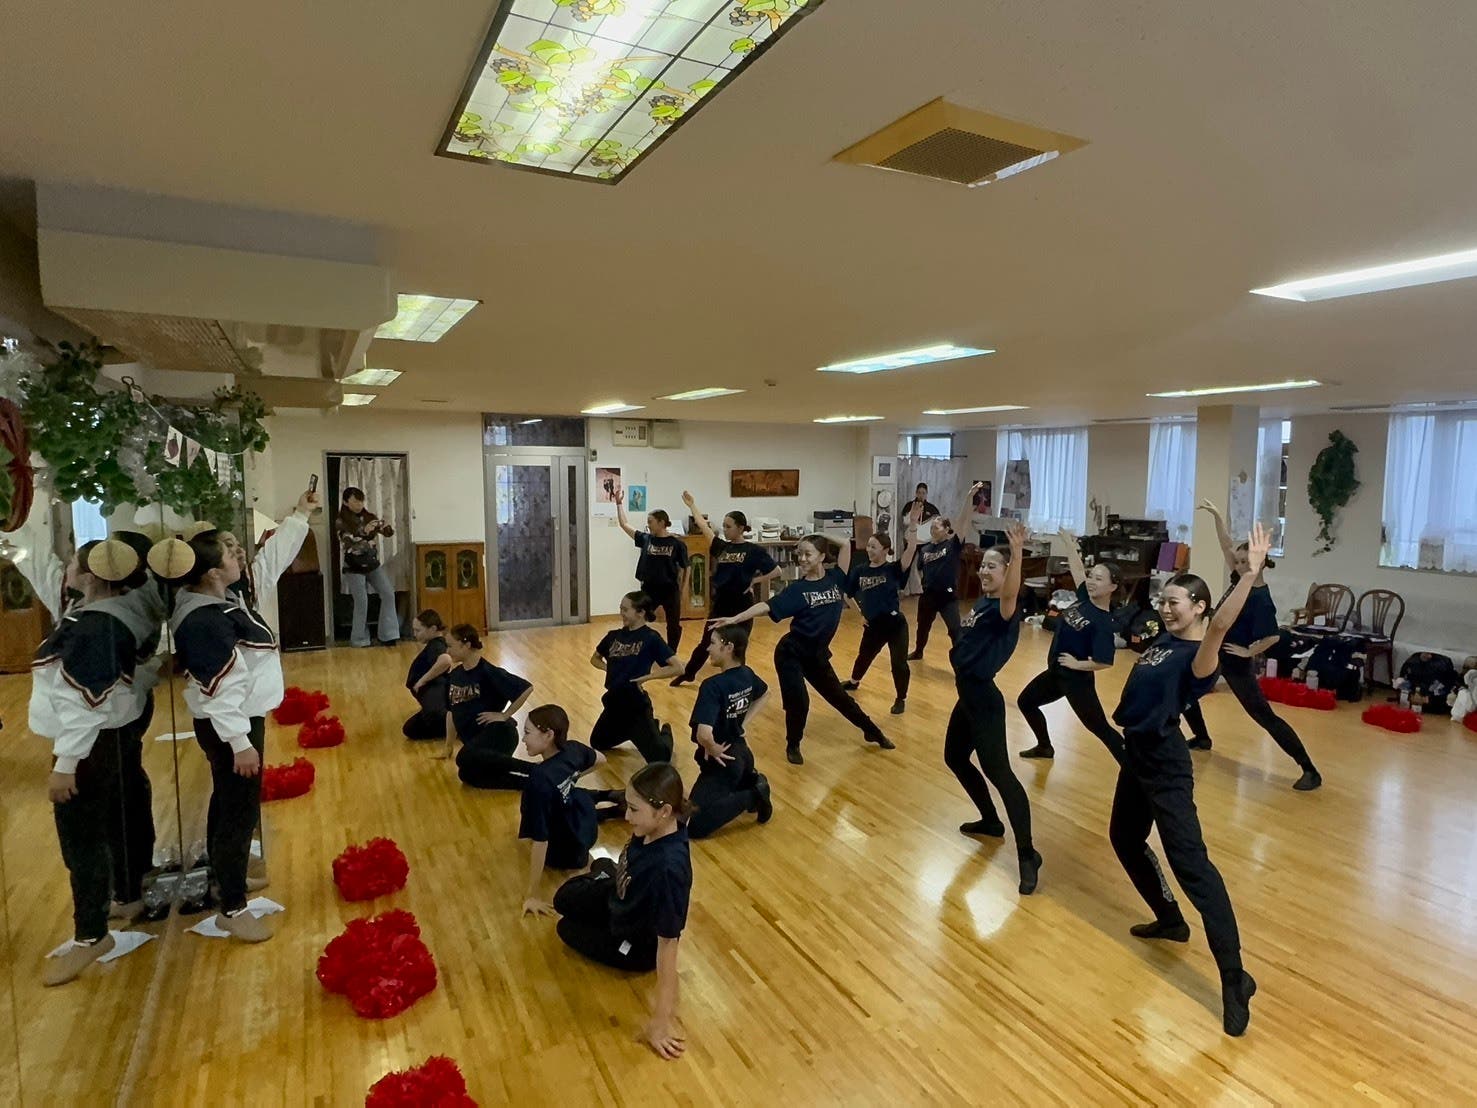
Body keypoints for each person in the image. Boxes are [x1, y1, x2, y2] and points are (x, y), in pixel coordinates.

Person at [1107, 523, 1273, 1037]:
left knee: (1194, 868)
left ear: (1199, 607)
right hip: (1137, 753)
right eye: (1164, 598)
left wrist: (1250, 573)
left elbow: (1222, 626)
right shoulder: (1162, 642)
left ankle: (1234, 977)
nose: (1165, 605)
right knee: (1124, 837)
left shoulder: (1200, 654)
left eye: (1176, 600)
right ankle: (1170, 920)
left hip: (1165, 762)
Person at [165, 485, 318, 943]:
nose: (240, 557)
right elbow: (219, 692)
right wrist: (240, 742)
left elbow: (272, 562)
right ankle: (232, 906)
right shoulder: (205, 618)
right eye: (231, 553)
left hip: (239, 721)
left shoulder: (224, 597)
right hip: (231, 726)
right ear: (212, 572)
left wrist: (300, 514)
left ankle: (223, 878)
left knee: (230, 805)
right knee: (237, 811)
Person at [31, 539, 151, 985]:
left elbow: (84, 702)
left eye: (70, 565)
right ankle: (127, 893)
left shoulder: (94, 625)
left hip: (91, 743)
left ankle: (91, 934)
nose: (63, 570)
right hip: (111, 735)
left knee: (81, 839)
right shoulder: (118, 610)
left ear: (90, 576)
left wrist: (65, 762)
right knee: (117, 815)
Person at [551, 762, 692, 1061]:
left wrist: (659, 1025)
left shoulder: (669, 871)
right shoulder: (654, 827)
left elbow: (668, 947)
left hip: (631, 939)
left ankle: (604, 875)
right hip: (620, 893)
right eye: (627, 807)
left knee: (565, 927)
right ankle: (606, 873)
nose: (627, 817)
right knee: (563, 897)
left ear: (664, 811)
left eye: (634, 810)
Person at [711, 534, 893, 765]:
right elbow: (765, 606)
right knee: (799, 701)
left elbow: (846, 543)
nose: (802, 559)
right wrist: (736, 617)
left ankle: (872, 731)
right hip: (791, 653)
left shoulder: (837, 578)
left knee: (840, 698)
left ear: (821, 556)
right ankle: (793, 744)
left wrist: (818, 534)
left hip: (816, 655)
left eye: (808, 554)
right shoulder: (797, 589)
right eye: (800, 554)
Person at [1181, 500, 1322, 791]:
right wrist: (1219, 515)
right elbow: (1226, 544)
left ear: (1259, 564)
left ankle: (1309, 769)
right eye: (1240, 561)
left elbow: (1273, 636)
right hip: (1214, 653)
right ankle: (1202, 737)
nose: (1239, 565)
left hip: (1235, 662)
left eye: (1246, 562)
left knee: (1263, 715)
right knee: (1184, 691)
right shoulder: (1240, 578)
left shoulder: (1260, 598)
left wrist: (1247, 651)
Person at [945, 521, 1041, 895]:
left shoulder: (1004, 610)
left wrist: (1016, 554)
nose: (984, 571)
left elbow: (1011, 595)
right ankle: (990, 820)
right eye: (983, 565)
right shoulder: (983, 604)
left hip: (983, 699)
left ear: (1006, 575)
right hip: (967, 696)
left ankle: (1028, 854)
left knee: (1001, 774)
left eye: (992, 567)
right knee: (954, 756)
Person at [1015, 530, 1125, 762]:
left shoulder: (1103, 622)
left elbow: (1104, 662)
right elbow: (1077, 570)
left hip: (1076, 680)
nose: (1092, 582)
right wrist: (1068, 543)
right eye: (1092, 577)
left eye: (1099, 579)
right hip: (1056, 673)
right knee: (1026, 702)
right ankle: (1045, 747)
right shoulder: (1085, 599)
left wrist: (1077, 664)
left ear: (1113, 587)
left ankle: (1134, 768)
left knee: (1099, 728)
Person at [518, 704, 622, 917]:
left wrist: (532, 894)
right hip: (583, 824)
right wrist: (572, 777)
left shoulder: (540, 778)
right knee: (572, 792)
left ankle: (610, 804)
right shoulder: (573, 748)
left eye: (527, 733)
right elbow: (601, 759)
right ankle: (610, 799)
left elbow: (540, 840)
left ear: (548, 735)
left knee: (548, 803)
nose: (523, 740)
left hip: (568, 853)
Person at [671, 491, 780, 687]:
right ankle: (689, 673)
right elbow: (704, 527)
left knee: (738, 645)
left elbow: (777, 571)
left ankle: (739, 682)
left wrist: (754, 581)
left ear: (740, 528)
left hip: (742, 604)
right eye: (724, 526)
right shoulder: (722, 547)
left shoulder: (754, 551)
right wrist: (692, 506)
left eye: (729, 527)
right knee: (706, 642)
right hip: (721, 603)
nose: (725, 530)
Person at [687, 624, 773, 838]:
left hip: (724, 761)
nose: (708, 648)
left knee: (693, 825)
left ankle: (755, 794)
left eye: (713, 643)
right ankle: (749, 780)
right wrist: (743, 724)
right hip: (742, 754)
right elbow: (766, 693)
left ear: (728, 648)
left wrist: (713, 748)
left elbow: (703, 734)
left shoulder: (712, 686)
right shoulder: (746, 674)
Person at [590, 592, 684, 763]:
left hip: (635, 705)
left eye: (625, 610)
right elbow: (594, 659)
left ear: (640, 613)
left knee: (660, 758)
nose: (621, 613)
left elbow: (678, 668)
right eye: (620, 609)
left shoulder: (651, 638)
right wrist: (609, 669)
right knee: (597, 742)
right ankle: (631, 732)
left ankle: (664, 732)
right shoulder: (613, 636)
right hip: (614, 702)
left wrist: (647, 677)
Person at [442, 624, 535, 789]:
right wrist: (448, 745)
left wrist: (505, 715)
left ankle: (535, 770)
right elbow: (451, 712)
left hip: (499, 735)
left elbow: (526, 687)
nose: (447, 651)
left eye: (450, 646)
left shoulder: (488, 672)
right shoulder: (455, 675)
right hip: (477, 743)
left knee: (463, 758)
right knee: (467, 775)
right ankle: (529, 784)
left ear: (467, 645)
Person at [908, 482, 982, 661]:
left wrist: (969, 497)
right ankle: (918, 651)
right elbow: (918, 569)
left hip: (947, 596)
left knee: (955, 630)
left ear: (947, 530)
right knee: (922, 626)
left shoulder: (952, 545)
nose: (934, 528)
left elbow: (963, 521)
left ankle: (962, 657)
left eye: (938, 526)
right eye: (932, 526)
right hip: (928, 596)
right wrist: (921, 584)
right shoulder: (925, 549)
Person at [840, 532, 910, 715]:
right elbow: (847, 594)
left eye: (874, 547)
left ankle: (901, 698)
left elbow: (910, 552)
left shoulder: (893, 569)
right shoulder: (860, 570)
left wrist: (911, 526)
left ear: (885, 550)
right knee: (863, 656)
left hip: (895, 624)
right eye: (868, 546)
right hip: (873, 626)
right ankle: (854, 682)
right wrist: (861, 615)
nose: (869, 550)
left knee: (899, 664)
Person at [615, 490, 689, 652]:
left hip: (670, 589)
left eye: (651, 521)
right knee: (637, 617)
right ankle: (631, 647)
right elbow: (624, 524)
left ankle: (671, 653)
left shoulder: (677, 544)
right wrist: (619, 503)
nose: (648, 524)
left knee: (673, 624)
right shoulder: (646, 539)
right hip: (649, 588)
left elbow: (686, 567)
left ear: (662, 523)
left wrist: (683, 590)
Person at [336, 485, 400, 648]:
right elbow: (349, 542)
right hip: (353, 566)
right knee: (361, 601)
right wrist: (365, 532)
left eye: (361, 501)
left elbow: (388, 533)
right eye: (355, 501)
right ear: (345, 502)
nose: (359, 504)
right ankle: (359, 639)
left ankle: (388, 635)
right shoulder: (341, 520)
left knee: (388, 593)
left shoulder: (368, 516)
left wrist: (384, 527)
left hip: (372, 564)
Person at [403, 610, 452, 741]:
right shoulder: (434, 644)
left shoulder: (436, 645)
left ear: (433, 629)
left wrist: (422, 681)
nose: (415, 634)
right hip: (431, 695)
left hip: (432, 692)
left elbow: (446, 660)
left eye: (418, 631)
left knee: (411, 729)